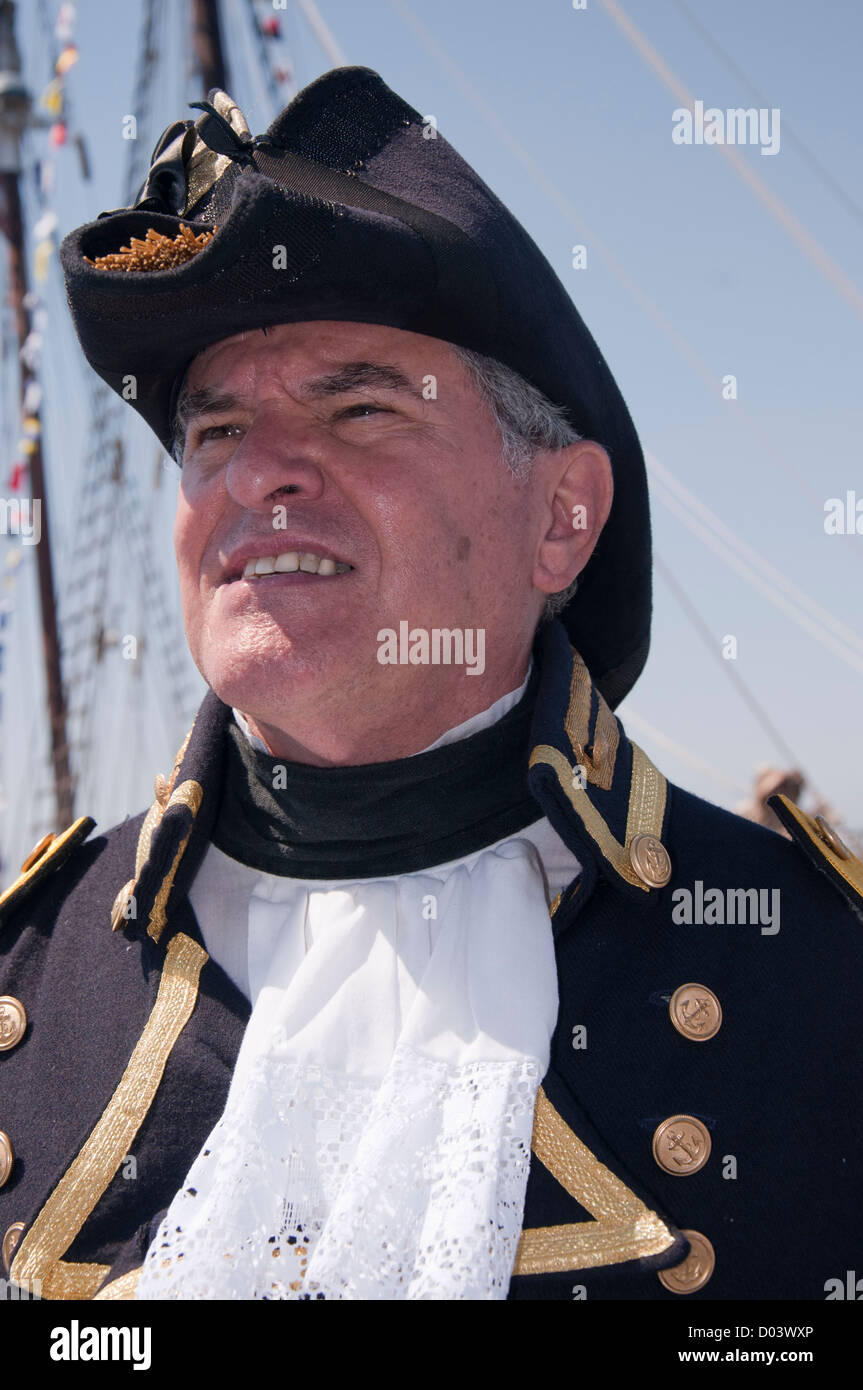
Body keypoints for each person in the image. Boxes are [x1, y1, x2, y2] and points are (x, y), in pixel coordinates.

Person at [0, 66, 860, 1302]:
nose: (259, 478)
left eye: (357, 409)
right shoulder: (28, 984)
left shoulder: (811, 983)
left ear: (560, 516)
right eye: (216, 430)